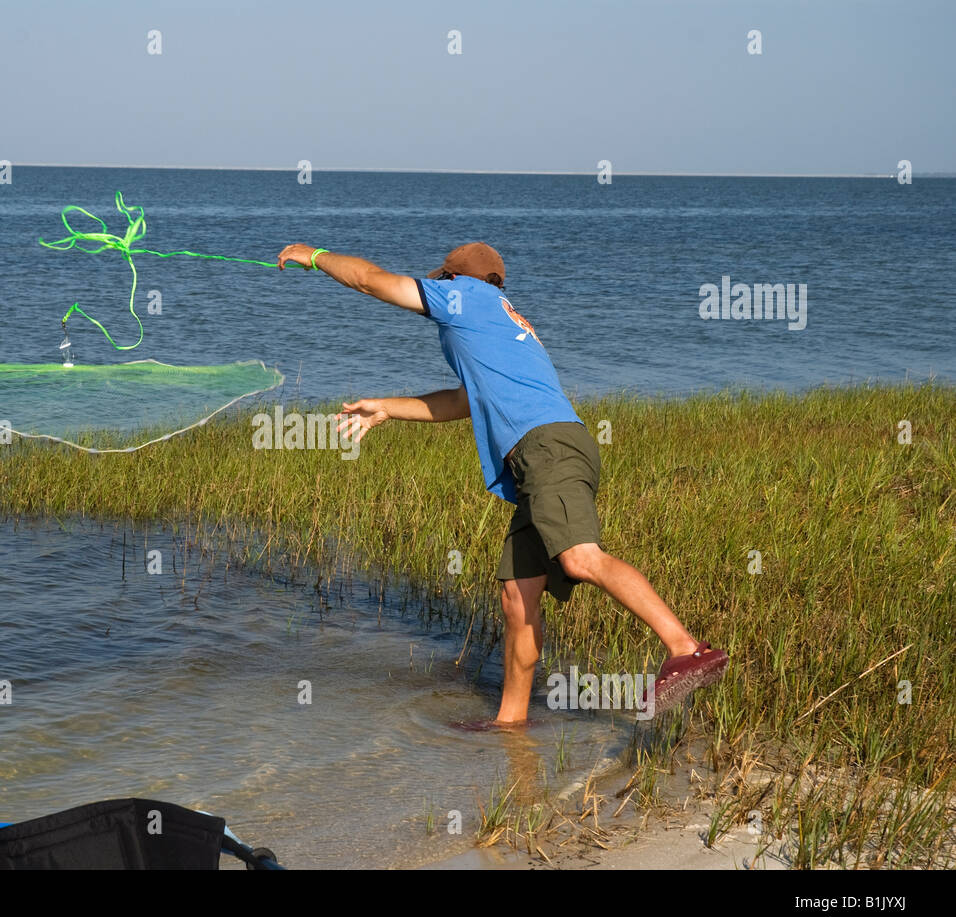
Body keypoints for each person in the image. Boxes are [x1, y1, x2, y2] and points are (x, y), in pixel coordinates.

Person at [275, 241, 727, 723]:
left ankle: (685, 648)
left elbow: (369, 279)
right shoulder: (496, 319)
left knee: (580, 558)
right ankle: (510, 725)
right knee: (517, 596)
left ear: (452, 279)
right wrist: (387, 407)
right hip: (536, 460)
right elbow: (462, 402)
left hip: (548, 449)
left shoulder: (464, 297)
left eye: (440, 280)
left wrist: (316, 255)